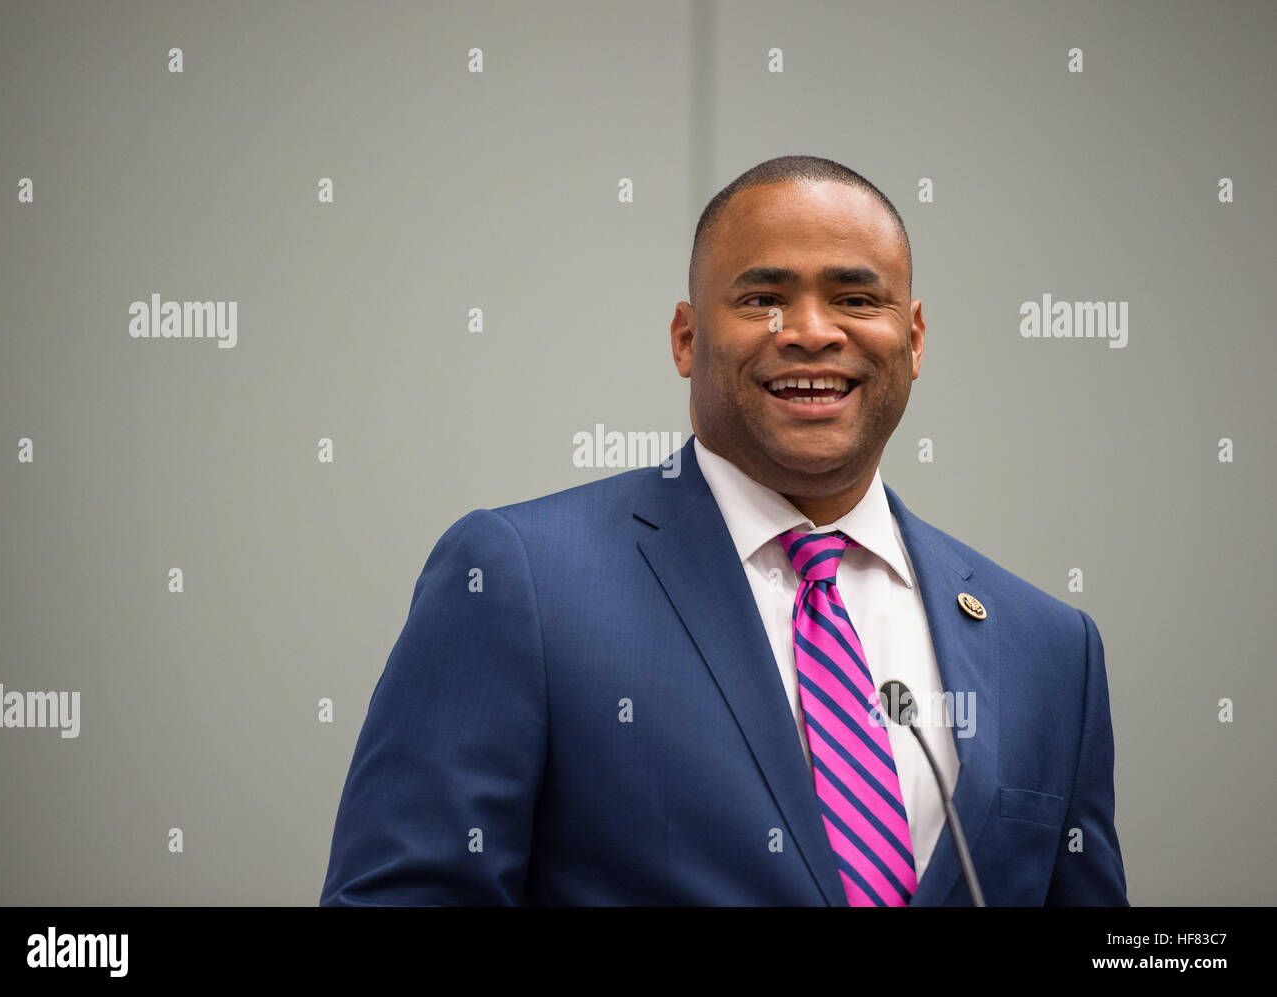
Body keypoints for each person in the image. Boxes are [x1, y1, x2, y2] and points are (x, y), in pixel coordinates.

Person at [320, 155, 1129, 906]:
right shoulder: (519, 581)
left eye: (856, 297)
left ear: (913, 339)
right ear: (685, 337)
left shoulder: (1052, 651)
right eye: (762, 298)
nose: (812, 330)